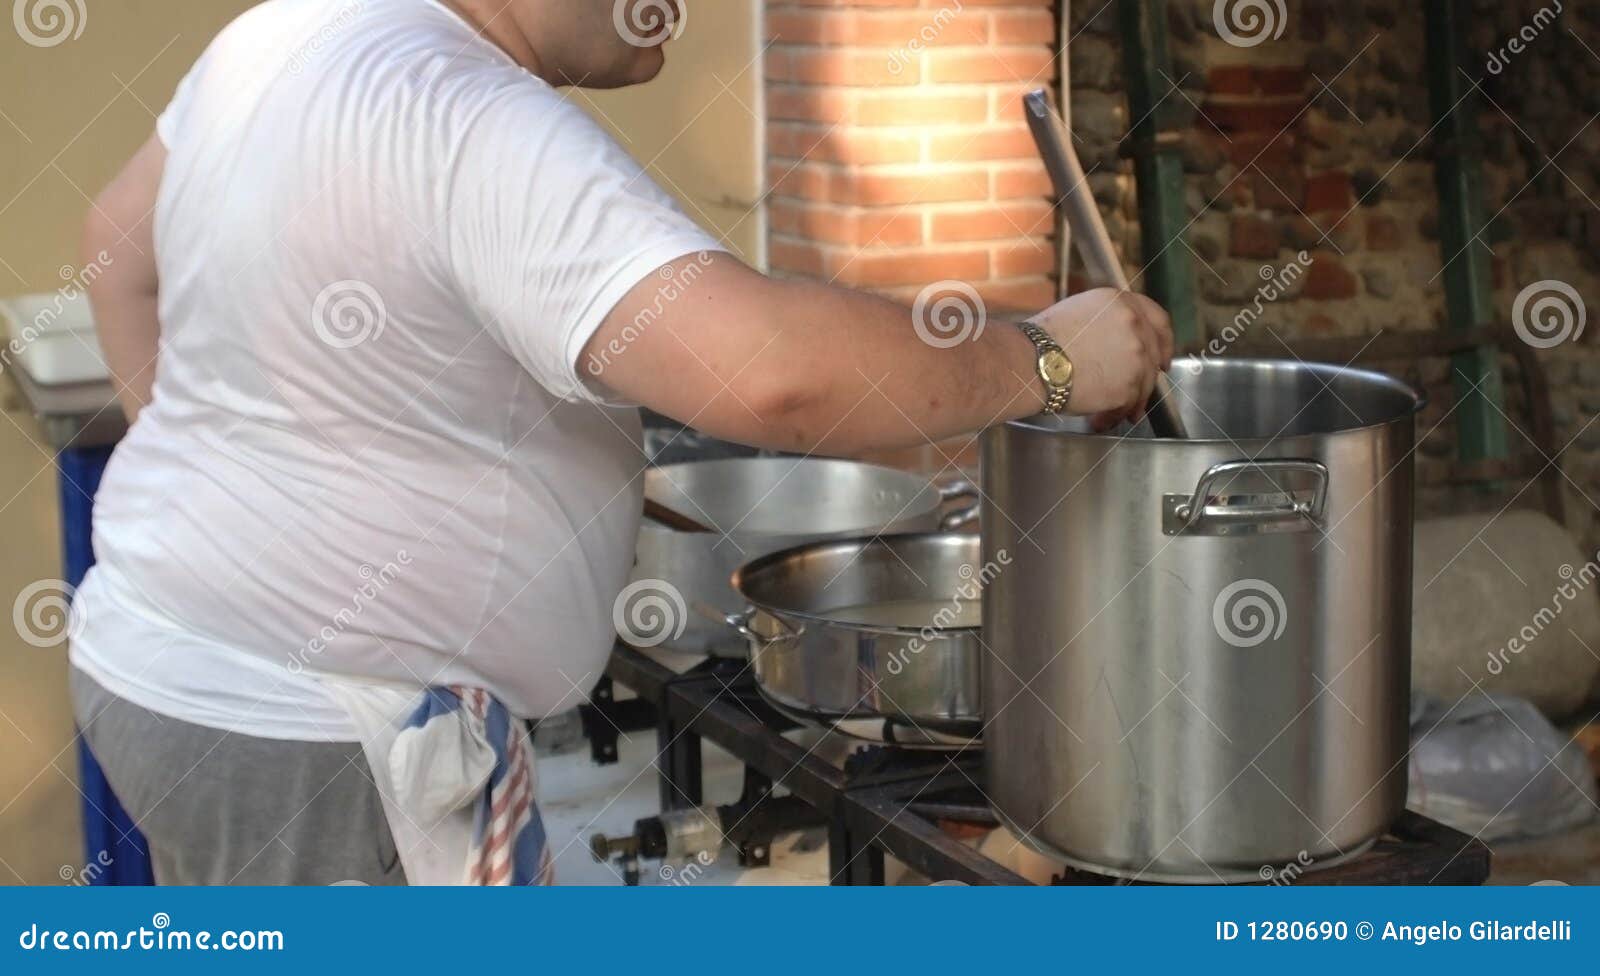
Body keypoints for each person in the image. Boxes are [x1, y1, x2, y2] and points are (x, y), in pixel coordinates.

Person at [70, 0, 1173, 885]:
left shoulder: (283, 33)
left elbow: (116, 245)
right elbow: (770, 374)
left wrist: (223, 467)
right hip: (315, 740)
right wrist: (1041, 356)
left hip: (167, 659)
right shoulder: (475, 119)